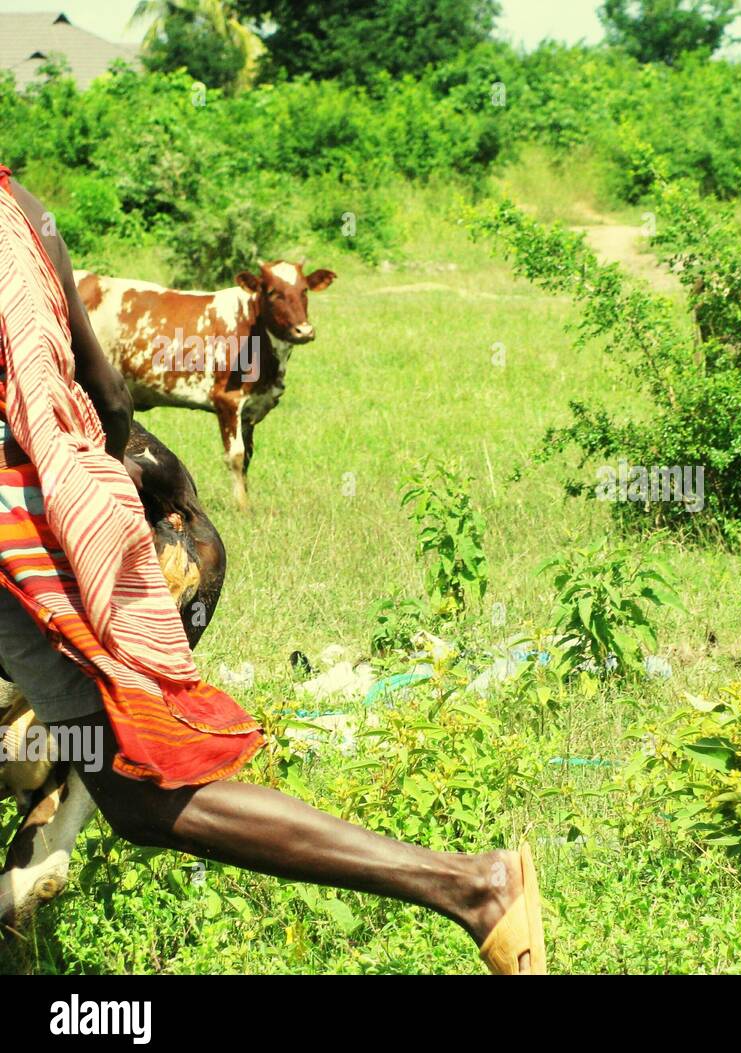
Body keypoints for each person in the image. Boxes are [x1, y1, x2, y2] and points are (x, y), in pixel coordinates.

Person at [0, 163, 545, 975]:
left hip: (21, 545)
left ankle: (471, 887)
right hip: (50, 515)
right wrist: (90, 503)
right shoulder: (23, 208)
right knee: (126, 785)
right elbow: (111, 396)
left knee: (140, 791)